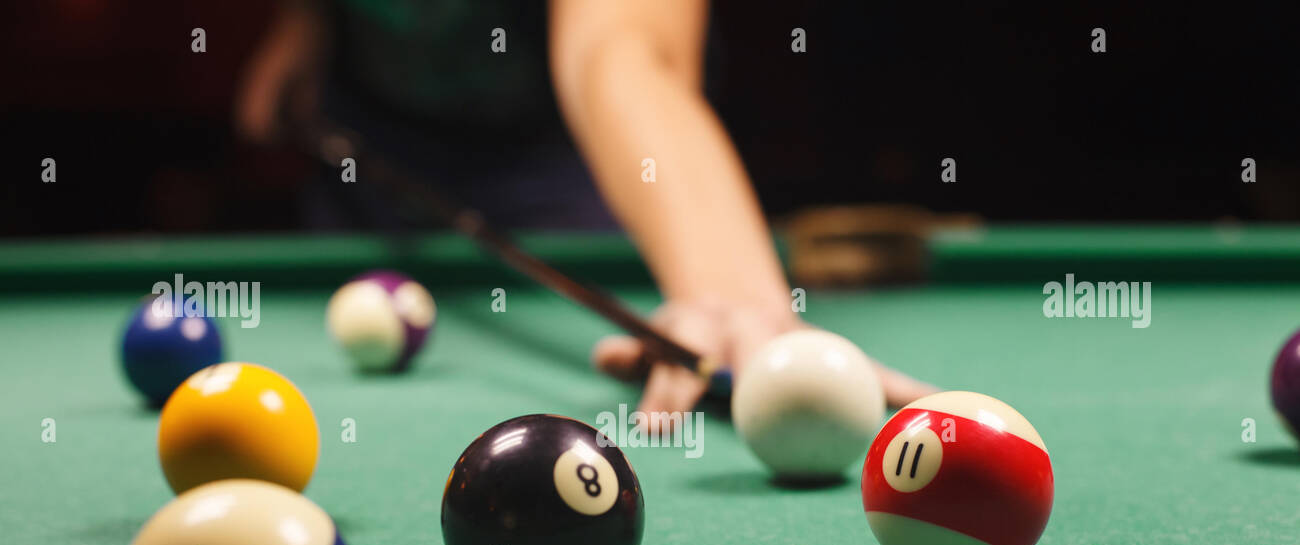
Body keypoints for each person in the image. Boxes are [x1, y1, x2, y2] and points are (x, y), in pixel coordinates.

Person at [236, 0, 932, 421]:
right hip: (373, 140)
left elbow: (621, 50)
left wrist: (730, 294)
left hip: (565, 154)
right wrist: (305, 29)